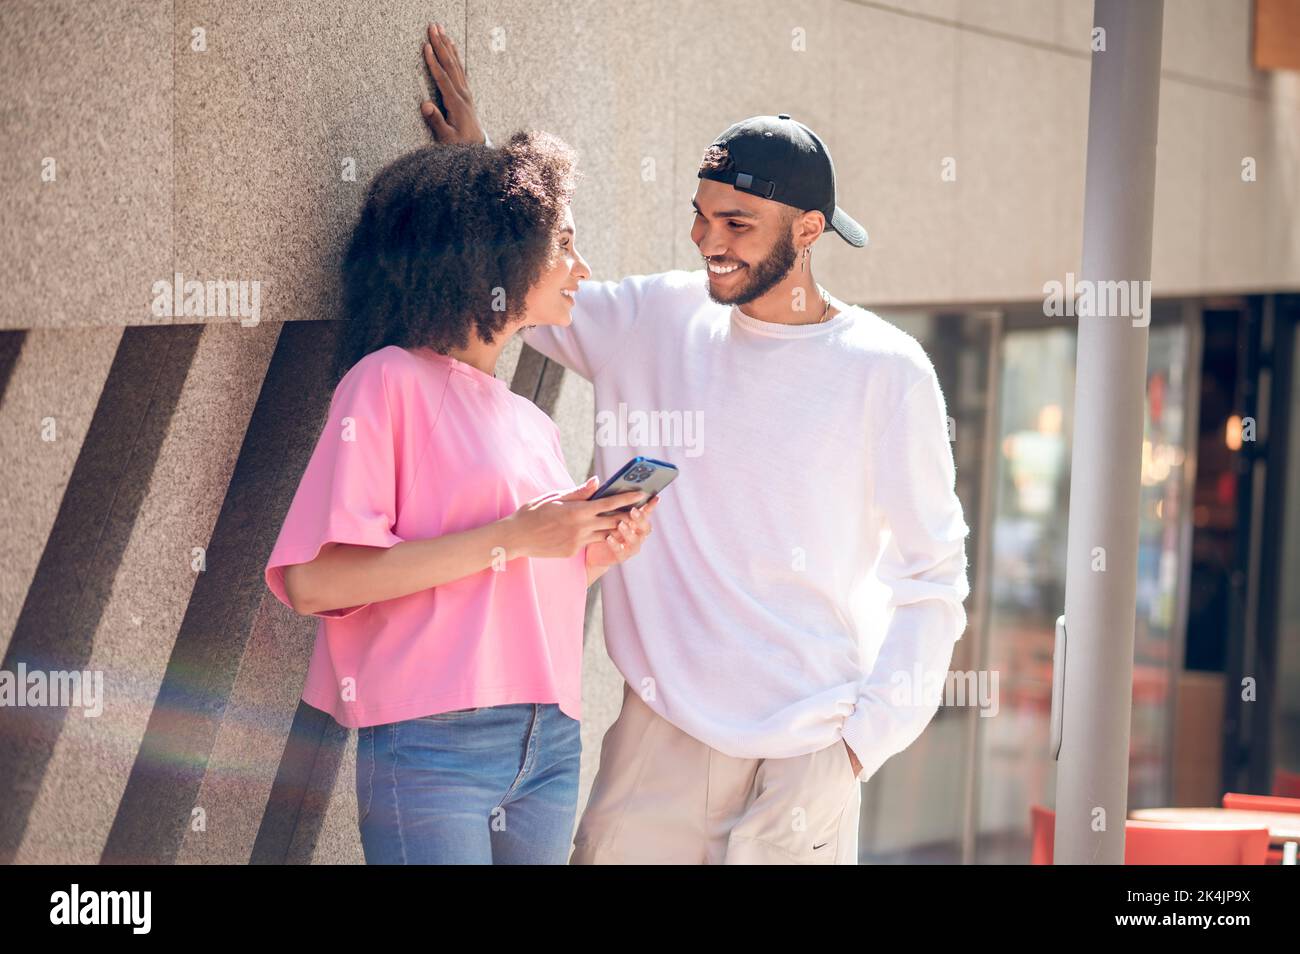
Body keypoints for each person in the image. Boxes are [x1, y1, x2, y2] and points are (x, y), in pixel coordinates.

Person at [420, 22, 969, 865]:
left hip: (810, 753)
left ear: (810, 231)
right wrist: (481, 169)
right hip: (657, 746)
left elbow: (932, 580)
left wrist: (856, 752)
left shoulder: (887, 372)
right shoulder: (652, 318)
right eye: (701, 217)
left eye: (738, 223)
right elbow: (534, 289)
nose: (710, 241)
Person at [263, 132, 657, 864]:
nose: (582, 267)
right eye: (563, 242)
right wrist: (519, 533)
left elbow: (507, 575)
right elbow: (315, 581)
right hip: (433, 743)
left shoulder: (530, 421)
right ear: (492, 255)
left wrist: (589, 551)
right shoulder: (385, 382)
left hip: (549, 742)